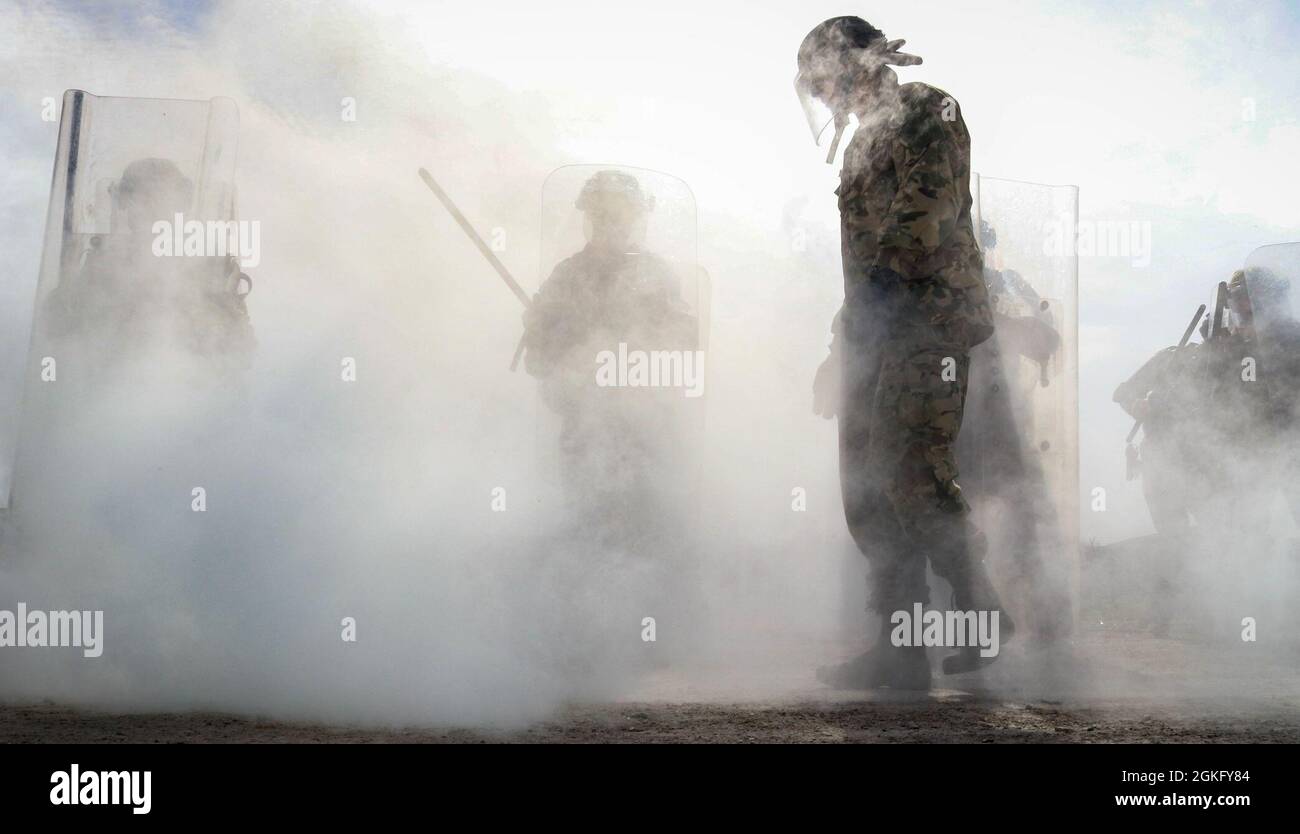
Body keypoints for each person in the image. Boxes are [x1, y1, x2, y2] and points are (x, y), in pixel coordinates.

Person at [798, 16, 1013, 689]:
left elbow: (929, 208)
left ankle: (980, 607)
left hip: (927, 323)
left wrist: (881, 299)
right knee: (867, 492)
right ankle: (900, 647)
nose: (823, 94)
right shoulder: (863, 145)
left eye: (826, 79)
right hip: (877, 327)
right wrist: (843, 344)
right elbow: (863, 267)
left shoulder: (927, 110)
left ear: (854, 65)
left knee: (910, 471)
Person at [522, 170, 698, 531]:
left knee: (652, 531)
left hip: (647, 438)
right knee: (585, 532)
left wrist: (637, 351)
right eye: (601, 214)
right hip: (583, 438)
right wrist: (541, 329)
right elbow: (537, 364)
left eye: (619, 214)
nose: (610, 223)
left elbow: (685, 349)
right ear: (590, 218)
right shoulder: (566, 276)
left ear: (633, 219)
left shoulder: (656, 274)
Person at [42, 157, 255, 373]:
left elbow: (240, 351)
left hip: (187, 382)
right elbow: (56, 328)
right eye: (140, 199)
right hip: (109, 378)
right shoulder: (104, 262)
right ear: (124, 204)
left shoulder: (207, 267)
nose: (149, 210)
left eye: (158, 199)